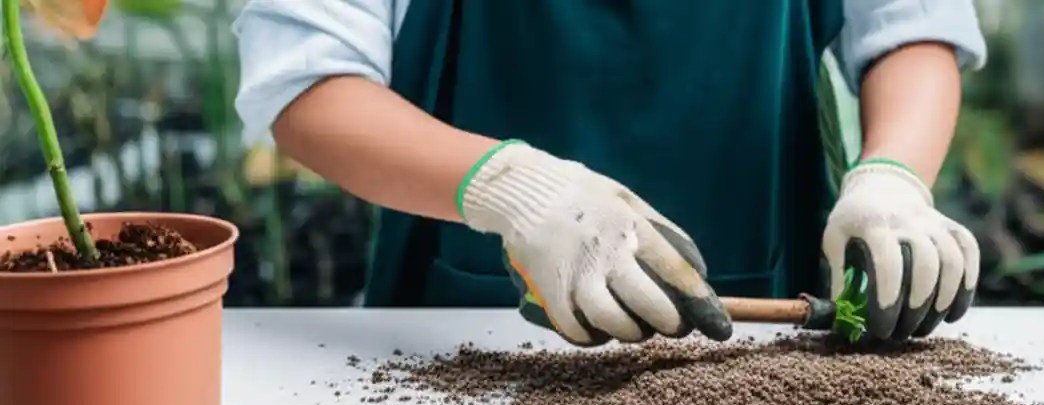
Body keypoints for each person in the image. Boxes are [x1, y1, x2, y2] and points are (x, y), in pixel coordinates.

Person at [233, 0, 987, 346]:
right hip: (468, 344)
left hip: (763, 342)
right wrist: (512, 190)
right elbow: (307, 80)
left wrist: (891, 178)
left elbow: (912, 29)